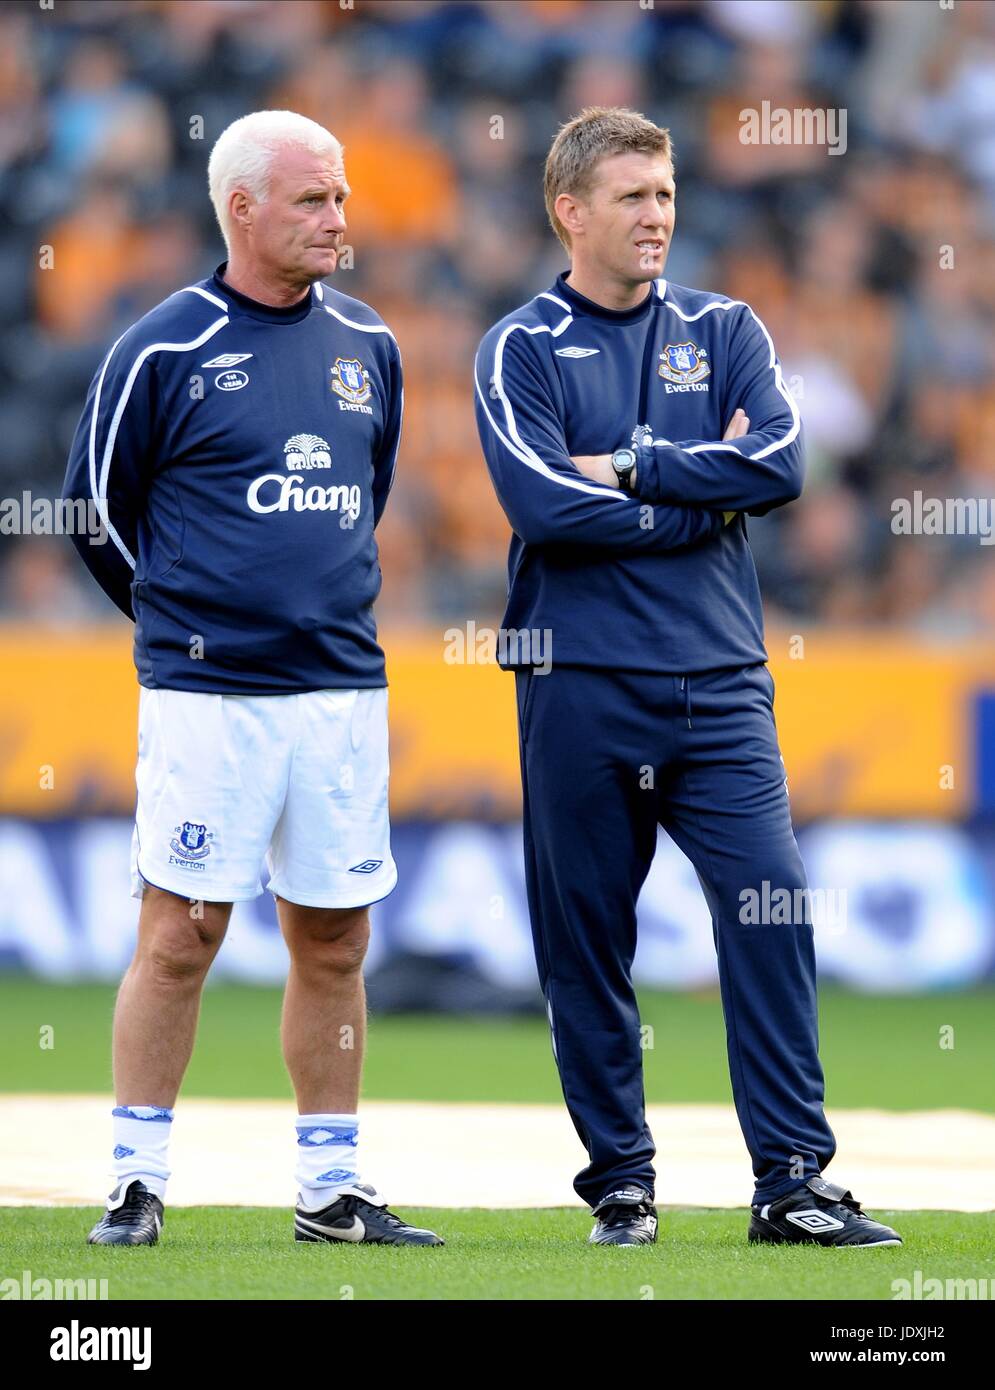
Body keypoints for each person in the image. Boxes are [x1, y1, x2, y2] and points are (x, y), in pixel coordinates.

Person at [473, 106, 901, 1249]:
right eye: (631, 198)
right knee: (585, 942)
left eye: (664, 195)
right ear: (570, 210)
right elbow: (538, 506)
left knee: (767, 908)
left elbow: (782, 463)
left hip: (717, 686)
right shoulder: (518, 346)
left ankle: (791, 1182)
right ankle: (621, 1180)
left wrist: (628, 466)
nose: (657, 216)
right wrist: (695, 499)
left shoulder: (726, 326)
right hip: (577, 684)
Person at [62, 109, 442, 1248]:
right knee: (180, 935)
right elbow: (92, 512)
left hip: (338, 693)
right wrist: (184, 624)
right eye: (313, 200)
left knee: (333, 939)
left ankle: (330, 1193)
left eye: (340, 198)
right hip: (206, 702)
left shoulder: (368, 342)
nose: (338, 220)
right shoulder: (162, 347)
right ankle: (136, 1181)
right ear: (241, 208)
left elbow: (359, 503)